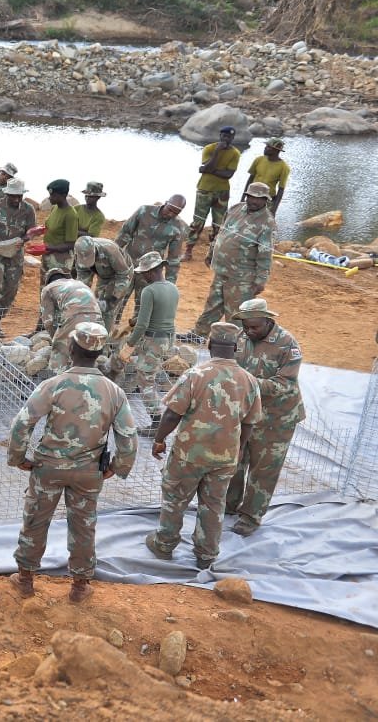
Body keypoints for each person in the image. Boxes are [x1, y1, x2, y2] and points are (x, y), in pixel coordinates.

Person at [8, 322, 137, 604]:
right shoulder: (114, 391)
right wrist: (118, 466)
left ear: (71, 348)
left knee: (35, 520)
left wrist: (19, 458)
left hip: (48, 469)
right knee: (83, 524)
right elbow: (128, 436)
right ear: (100, 352)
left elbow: (22, 424)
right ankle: (79, 586)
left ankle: (25, 580)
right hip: (89, 471)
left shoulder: (52, 385)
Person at [147, 322, 262, 569]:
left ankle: (164, 545)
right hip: (225, 457)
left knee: (175, 498)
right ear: (235, 346)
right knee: (213, 504)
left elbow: (171, 414)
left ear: (209, 344)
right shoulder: (250, 381)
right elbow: (251, 422)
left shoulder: (195, 375)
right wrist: (238, 448)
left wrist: (159, 439)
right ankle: (207, 553)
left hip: (189, 455)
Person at [226, 299, 306, 536]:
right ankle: (228, 505)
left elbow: (284, 384)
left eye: (254, 327)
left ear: (269, 321)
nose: (249, 331)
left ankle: (250, 517)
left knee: (264, 468)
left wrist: (245, 383)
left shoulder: (287, 345)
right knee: (235, 461)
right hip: (246, 413)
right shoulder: (241, 338)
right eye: (246, 326)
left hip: (276, 418)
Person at [193, 183, 274, 336]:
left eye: (259, 199)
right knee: (212, 305)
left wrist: (260, 280)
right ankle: (199, 334)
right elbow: (221, 232)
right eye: (251, 197)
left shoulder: (266, 222)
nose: (254, 201)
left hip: (242, 278)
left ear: (265, 200)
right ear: (247, 196)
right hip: (221, 269)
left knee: (236, 313)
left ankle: (237, 344)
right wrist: (211, 252)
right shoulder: (235, 209)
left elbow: (265, 255)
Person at [118, 252, 179, 421]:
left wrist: (129, 345)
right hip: (166, 339)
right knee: (149, 370)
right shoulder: (173, 288)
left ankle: (156, 419)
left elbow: (143, 324)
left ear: (152, 271)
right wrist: (130, 323)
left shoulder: (149, 291)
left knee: (146, 380)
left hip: (153, 340)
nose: (143, 276)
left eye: (144, 273)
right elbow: (160, 315)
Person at [113, 195, 186, 320]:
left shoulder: (178, 227)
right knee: (117, 298)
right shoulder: (144, 211)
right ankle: (111, 327)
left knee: (143, 304)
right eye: (170, 209)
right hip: (128, 264)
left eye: (176, 213)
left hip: (150, 272)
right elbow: (125, 233)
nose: (170, 214)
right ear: (165, 203)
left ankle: (135, 332)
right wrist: (113, 256)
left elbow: (173, 260)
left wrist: (168, 284)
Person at [0, 178, 36, 335]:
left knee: (10, 289)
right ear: (7, 194)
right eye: (13, 196)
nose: (16, 199)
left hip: (15, 255)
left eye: (19, 196)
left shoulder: (28, 210)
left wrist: (23, 240)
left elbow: (30, 232)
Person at [187, 126, 240, 261]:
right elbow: (208, 166)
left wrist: (207, 170)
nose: (227, 139)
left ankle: (212, 254)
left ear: (233, 138)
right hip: (204, 189)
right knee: (198, 221)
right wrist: (216, 153)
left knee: (219, 224)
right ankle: (188, 251)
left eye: (229, 137)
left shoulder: (235, 153)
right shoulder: (210, 148)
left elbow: (228, 175)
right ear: (220, 136)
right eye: (224, 136)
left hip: (222, 192)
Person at [39, 270, 104, 374]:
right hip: (97, 317)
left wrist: (56, 338)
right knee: (89, 348)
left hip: (75, 316)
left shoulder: (48, 289)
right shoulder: (78, 283)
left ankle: (56, 380)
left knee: (60, 351)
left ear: (48, 281)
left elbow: (48, 321)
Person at [72, 236, 132, 331]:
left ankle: (105, 338)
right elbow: (83, 276)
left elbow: (124, 275)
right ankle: (94, 331)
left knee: (107, 309)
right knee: (97, 303)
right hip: (103, 274)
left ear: (94, 250)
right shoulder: (80, 254)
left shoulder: (110, 250)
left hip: (120, 274)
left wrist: (113, 298)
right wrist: (80, 297)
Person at [41, 179, 79, 283]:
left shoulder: (71, 215)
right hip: (48, 255)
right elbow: (51, 227)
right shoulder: (54, 208)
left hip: (61, 261)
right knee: (45, 289)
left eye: (53, 195)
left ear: (63, 195)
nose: (50, 198)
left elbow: (71, 244)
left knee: (56, 290)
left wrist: (49, 247)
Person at [244, 138, 290, 215]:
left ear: (276, 150)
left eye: (268, 147)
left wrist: (274, 209)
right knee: (246, 218)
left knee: (263, 223)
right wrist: (243, 198)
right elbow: (250, 179)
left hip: (267, 199)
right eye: (266, 146)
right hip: (251, 197)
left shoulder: (284, 167)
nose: (265, 148)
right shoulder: (258, 160)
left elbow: (281, 189)